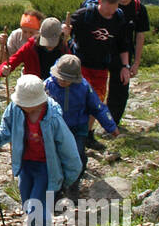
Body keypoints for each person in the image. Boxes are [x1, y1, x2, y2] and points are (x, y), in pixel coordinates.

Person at [0, 74, 82, 226]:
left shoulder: (53, 117)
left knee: (36, 206)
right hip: (25, 164)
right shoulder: (15, 109)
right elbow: (5, 129)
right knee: (28, 203)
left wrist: (66, 181)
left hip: (46, 168)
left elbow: (69, 150)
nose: (24, 107)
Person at [45, 53, 119, 197]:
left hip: (78, 127)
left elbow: (98, 107)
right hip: (56, 128)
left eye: (67, 79)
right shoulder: (48, 85)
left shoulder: (84, 87)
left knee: (77, 155)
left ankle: (73, 185)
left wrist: (111, 126)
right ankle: (57, 187)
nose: (62, 81)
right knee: (55, 157)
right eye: (60, 77)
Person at [68, 0, 131, 152]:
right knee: (80, 100)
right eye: (107, 9)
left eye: (114, 9)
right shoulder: (85, 15)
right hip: (81, 65)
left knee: (97, 101)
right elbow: (66, 29)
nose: (110, 13)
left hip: (102, 66)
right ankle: (75, 134)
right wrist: (64, 31)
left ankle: (87, 134)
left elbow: (123, 44)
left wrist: (125, 66)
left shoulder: (118, 18)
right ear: (100, 1)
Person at [109, 0, 150, 124]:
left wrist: (136, 62)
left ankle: (113, 122)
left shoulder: (139, 9)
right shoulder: (108, 3)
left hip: (125, 52)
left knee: (120, 88)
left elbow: (140, 36)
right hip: (104, 49)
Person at [0, 16, 70, 79]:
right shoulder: (30, 46)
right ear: (40, 34)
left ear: (60, 37)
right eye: (46, 41)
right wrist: (4, 70)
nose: (49, 46)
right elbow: (12, 61)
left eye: (52, 42)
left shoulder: (64, 49)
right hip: (33, 86)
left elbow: (73, 71)